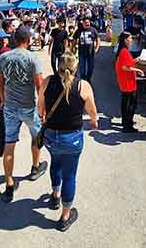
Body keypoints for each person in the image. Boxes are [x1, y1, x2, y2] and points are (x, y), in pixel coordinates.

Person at [38, 52, 98, 232]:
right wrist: (94, 122)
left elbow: (40, 108)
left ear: (57, 66)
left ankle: (55, 195)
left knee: (55, 163)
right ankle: (65, 216)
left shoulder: (47, 82)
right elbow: (92, 111)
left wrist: (44, 117)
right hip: (72, 137)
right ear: (75, 67)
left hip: (50, 135)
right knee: (69, 175)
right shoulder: (82, 85)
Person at [0, 27, 48, 202]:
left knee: (9, 144)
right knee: (36, 136)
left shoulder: (4, 57)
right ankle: (35, 167)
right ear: (27, 40)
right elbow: (39, 86)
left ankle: (9, 184)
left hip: (10, 107)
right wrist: (43, 109)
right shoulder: (32, 58)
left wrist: (3, 100)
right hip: (28, 106)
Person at [115, 31, 145, 133]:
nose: (131, 40)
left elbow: (127, 63)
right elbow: (125, 67)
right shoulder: (124, 51)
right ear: (125, 40)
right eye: (130, 38)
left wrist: (135, 60)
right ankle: (128, 125)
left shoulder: (123, 51)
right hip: (127, 80)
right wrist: (138, 70)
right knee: (131, 103)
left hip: (125, 80)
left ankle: (126, 122)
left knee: (126, 102)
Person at [74, 17, 99, 82]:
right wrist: (73, 48)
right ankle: (83, 80)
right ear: (83, 23)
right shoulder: (79, 30)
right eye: (85, 23)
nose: (87, 24)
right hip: (81, 52)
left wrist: (97, 47)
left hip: (91, 53)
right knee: (82, 68)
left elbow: (97, 39)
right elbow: (74, 39)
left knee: (90, 68)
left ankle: (88, 78)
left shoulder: (93, 30)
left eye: (88, 22)